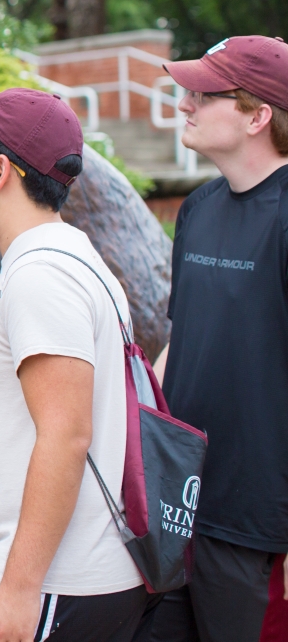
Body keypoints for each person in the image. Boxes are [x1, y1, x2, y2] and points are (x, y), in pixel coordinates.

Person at [0, 89, 148, 642]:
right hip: (70, 578)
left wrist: (20, 588)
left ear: (0, 171)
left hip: (55, 583)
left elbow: (66, 435)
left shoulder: (41, 277)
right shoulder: (74, 259)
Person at [143, 36, 288, 642]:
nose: (185, 104)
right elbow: (186, 339)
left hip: (256, 528)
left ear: (258, 116)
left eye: (204, 93)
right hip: (178, 509)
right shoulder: (196, 210)